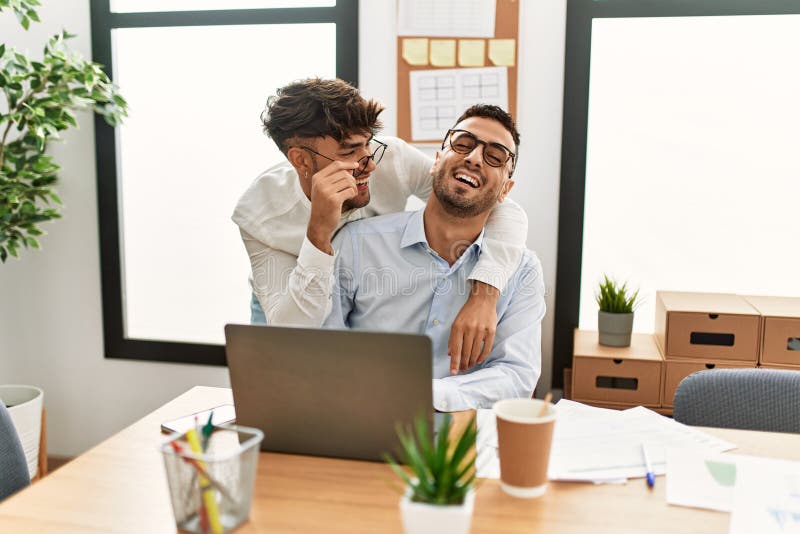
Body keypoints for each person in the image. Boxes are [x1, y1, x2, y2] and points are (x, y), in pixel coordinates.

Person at [232, 78, 530, 373]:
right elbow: (293, 331)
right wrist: (318, 232)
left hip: (363, 289)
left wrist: (485, 295)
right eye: (349, 152)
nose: (371, 165)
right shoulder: (260, 214)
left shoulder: (392, 158)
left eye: (368, 145)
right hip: (289, 294)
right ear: (301, 160)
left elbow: (495, 205)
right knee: (278, 377)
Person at [323, 105, 545, 411]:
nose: (474, 158)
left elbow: (517, 375)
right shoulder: (356, 243)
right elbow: (323, 345)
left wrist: (425, 394)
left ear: (506, 190)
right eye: (463, 143)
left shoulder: (524, 273)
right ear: (436, 160)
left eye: (495, 156)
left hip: (461, 428)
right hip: (364, 415)